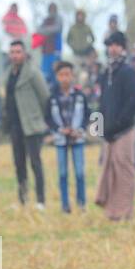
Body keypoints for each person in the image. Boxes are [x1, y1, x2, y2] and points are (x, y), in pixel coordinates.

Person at [93, 31, 135, 221]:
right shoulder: (106, 73)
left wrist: (120, 122)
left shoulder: (128, 72)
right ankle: (112, 211)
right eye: (109, 45)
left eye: (116, 45)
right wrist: (100, 126)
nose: (112, 48)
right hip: (108, 131)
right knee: (109, 170)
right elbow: (101, 101)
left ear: (123, 48)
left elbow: (133, 100)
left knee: (124, 170)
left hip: (124, 130)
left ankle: (124, 211)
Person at [4, 39, 50, 208]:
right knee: (19, 164)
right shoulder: (9, 73)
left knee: (35, 163)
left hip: (31, 126)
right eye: (12, 52)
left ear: (24, 53)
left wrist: (41, 119)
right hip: (15, 125)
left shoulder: (32, 72)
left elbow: (45, 97)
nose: (15, 55)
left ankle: (40, 200)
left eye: (18, 52)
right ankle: (23, 199)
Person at [47, 61, 89, 212]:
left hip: (77, 138)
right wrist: (59, 129)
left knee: (79, 172)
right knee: (63, 173)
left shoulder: (79, 96)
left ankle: (81, 203)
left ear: (72, 76)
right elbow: (49, 118)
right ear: (57, 77)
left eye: (68, 75)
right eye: (61, 75)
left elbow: (87, 115)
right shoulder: (52, 97)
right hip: (60, 139)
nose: (65, 78)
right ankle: (65, 205)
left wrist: (81, 129)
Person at [38, 3, 64, 82]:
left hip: (55, 50)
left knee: (56, 72)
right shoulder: (46, 20)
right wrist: (48, 30)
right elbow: (39, 30)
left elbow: (57, 29)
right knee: (45, 73)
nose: (52, 11)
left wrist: (46, 30)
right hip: (46, 51)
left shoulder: (59, 19)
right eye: (50, 9)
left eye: (53, 9)